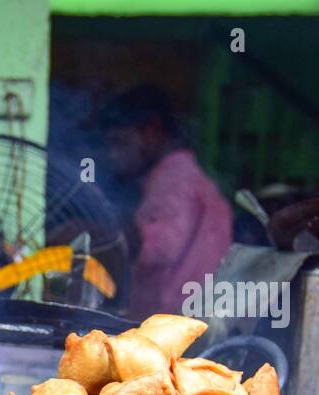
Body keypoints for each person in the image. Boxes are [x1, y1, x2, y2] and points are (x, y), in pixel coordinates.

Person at [99, 85, 232, 318]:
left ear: (151, 132)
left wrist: (94, 225)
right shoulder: (180, 178)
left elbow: (156, 249)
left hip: (173, 328)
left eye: (120, 142)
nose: (112, 155)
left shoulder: (175, 180)